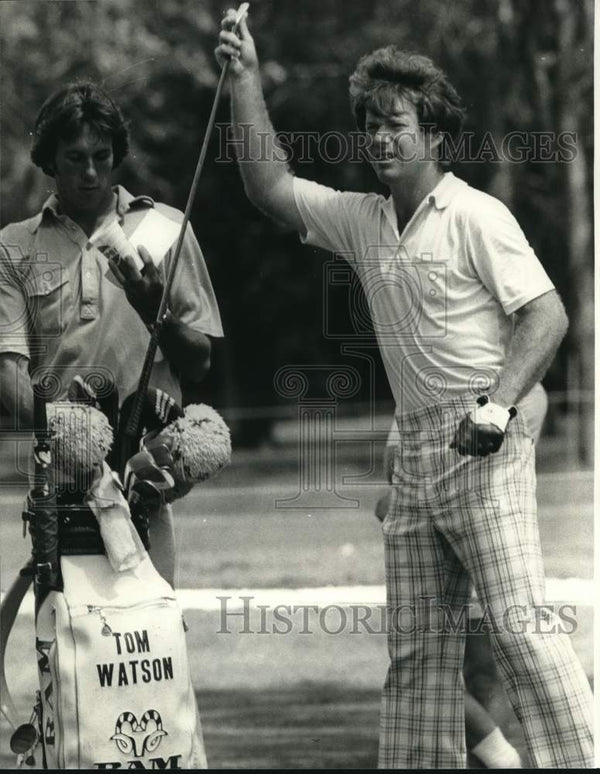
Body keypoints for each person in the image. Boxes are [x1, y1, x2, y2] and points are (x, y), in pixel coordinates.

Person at [215, 12, 593, 770]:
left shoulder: (478, 216)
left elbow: (546, 314)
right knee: (417, 653)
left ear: (435, 133)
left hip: (483, 440)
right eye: (370, 126)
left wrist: (496, 406)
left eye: (395, 123)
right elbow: (269, 185)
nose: (380, 139)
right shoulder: (362, 220)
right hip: (414, 448)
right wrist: (245, 79)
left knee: (521, 629)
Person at [0, 81, 223, 587]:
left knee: (153, 650)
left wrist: (154, 311)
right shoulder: (13, 247)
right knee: (71, 657)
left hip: (148, 487)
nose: (91, 173)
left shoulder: (165, 229)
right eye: (75, 158)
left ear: (117, 154)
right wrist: (64, 431)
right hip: (59, 495)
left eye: (102, 156)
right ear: (49, 160)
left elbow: (200, 362)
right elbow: (8, 374)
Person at [375, 384, 547, 769]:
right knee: (452, 670)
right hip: (459, 541)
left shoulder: (526, 395)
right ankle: (498, 759)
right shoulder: (425, 386)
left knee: (452, 669)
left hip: (474, 539)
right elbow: (395, 473)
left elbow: (402, 480)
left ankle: (497, 760)